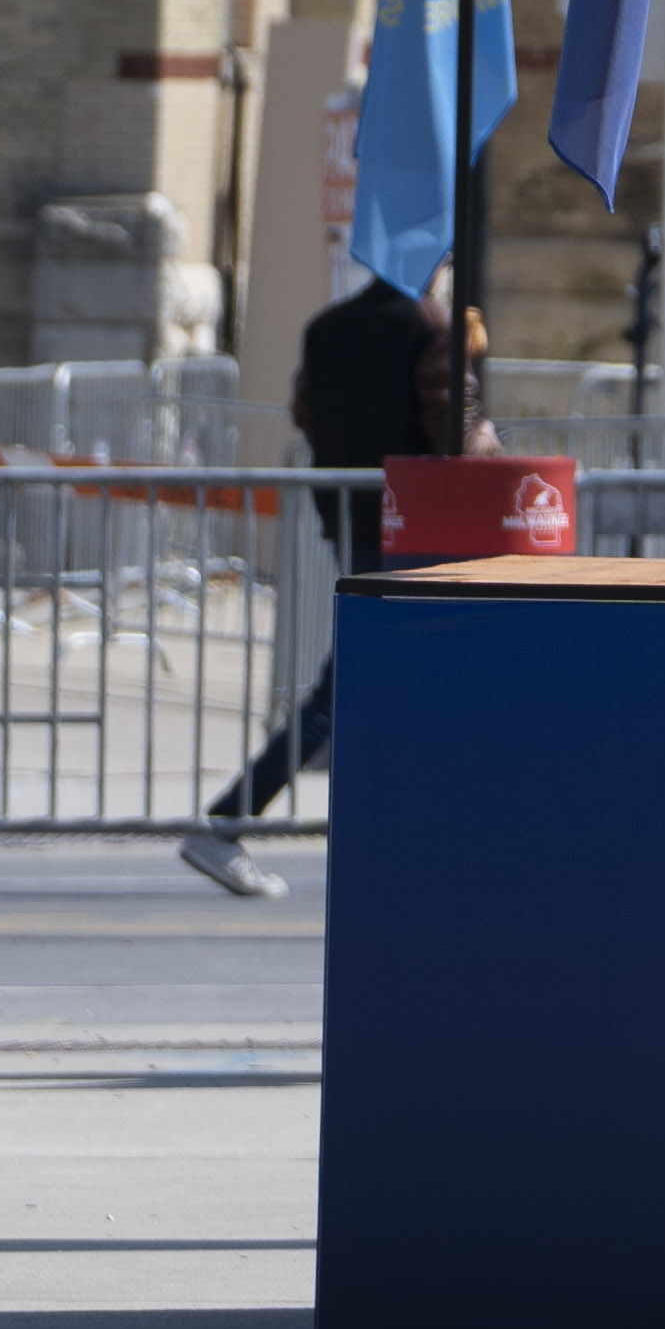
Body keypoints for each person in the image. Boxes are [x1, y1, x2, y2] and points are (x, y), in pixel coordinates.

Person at [177, 267, 458, 898]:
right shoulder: (431, 325)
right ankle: (227, 820)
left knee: (385, 679)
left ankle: (406, 835)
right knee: (355, 683)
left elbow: (305, 409)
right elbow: (451, 423)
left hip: (349, 512)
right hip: (414, 519)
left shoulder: (328, 328)